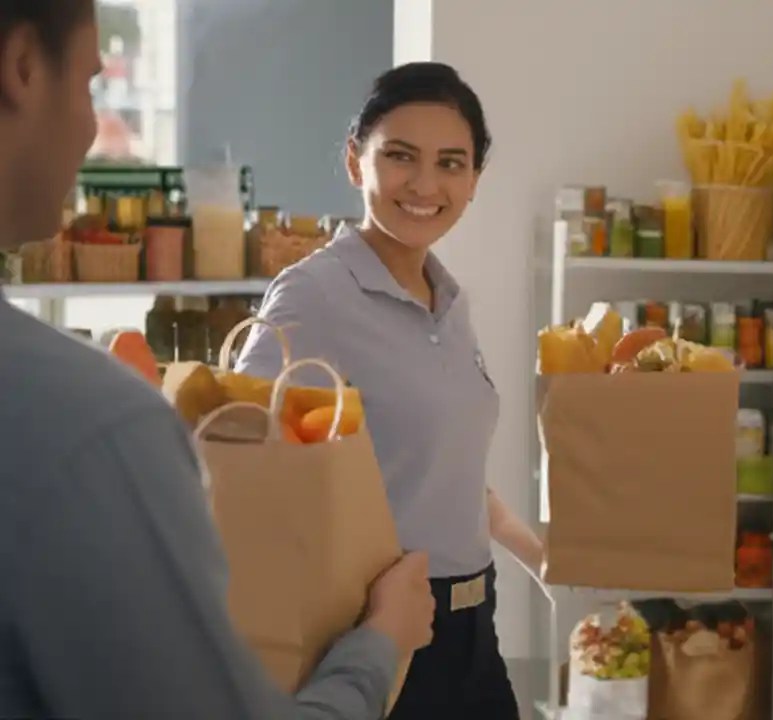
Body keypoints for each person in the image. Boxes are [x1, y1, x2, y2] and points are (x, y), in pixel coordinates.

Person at [0, 3, 435, 718]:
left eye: (451, 162)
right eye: (87, 83)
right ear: (22, 68)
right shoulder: (92, 434)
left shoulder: (453, 304)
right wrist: (377, 643)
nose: (89, 127)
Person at [236, 62, 543, 719]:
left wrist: (534, 550)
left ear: (474, 180)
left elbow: (435, 467)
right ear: (356, 162)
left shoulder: (449, 301)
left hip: (473, 622)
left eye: (451, 163)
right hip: (378, 633)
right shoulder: (315, 295)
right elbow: (242, 459)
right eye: (400, 157)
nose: (425, 184)